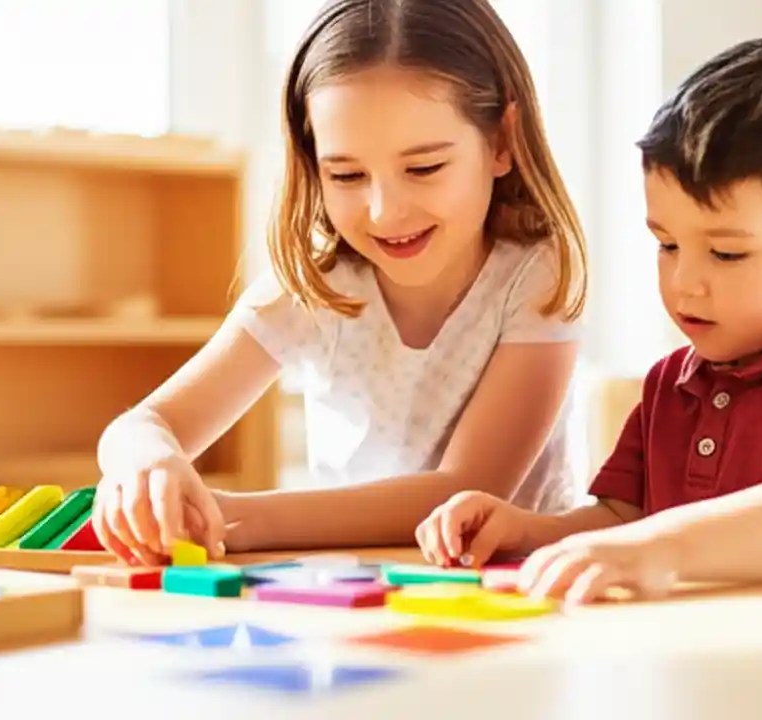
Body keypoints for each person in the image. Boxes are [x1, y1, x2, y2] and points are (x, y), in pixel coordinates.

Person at [416, 32, 762, 604]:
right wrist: (528, 531)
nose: (683, 282)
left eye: (726, 253)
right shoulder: (672, 384)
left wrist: (664, 549)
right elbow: (621, 522)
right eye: (667, 245)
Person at [91, 0, 588, 566]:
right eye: (347, 174)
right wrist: (148, 461)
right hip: (353, 583)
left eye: (424, 168)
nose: (384, 212)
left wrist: (234, 516)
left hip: (507, 585)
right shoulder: (315, 282)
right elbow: (142, 425)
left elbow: (468, 490)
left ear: (501, 142)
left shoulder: (535, 274)